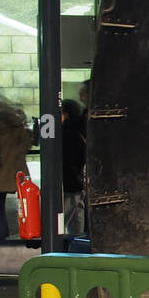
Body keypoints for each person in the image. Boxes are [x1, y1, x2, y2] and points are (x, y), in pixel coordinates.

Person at [0, 95, 30, 241]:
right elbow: (27, 145)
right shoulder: (18, 125)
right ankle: (2, 236)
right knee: (0, 207)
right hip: (9, 173)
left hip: (1, 171)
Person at [62, 98, 87, 239]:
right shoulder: (81, 129)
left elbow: (68, 159)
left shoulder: (67, 133)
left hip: (69, 181)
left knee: (63, 216)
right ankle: (77, 245)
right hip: (78, 180)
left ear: (65, 114)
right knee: (77, 219)